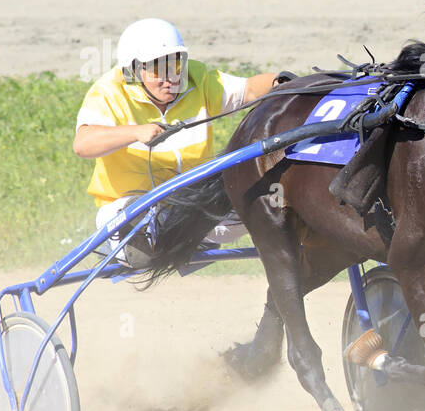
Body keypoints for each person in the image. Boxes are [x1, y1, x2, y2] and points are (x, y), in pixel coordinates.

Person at [73, 18, 280, 262]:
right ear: (134, 69)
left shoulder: (198, 79)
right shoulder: (109, 92)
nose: (171, 78)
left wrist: (286, 80)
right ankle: (133, 247)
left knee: (267, 200)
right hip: (130, 208)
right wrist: (135, 132)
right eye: (159, 69)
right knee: (137, 225)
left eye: (177, 65)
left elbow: (252, 89)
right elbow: (83, 144)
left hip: (194, 207)